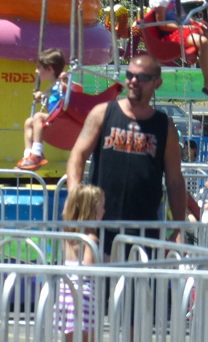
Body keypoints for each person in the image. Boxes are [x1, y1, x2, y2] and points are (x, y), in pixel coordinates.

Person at [66, 53, 188, 260]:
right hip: (99, 224)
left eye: (141, 77)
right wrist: (75, 197)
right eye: (130, 75)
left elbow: (175, 180)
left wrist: (178, 227)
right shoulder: (102, 113)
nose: (133, 81)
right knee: (95, 290)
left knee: (138, 291)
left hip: (143, 229)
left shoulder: (164, 126)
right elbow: (77, 155)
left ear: (156, 83)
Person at [55, 183, 103, 342]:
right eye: (101, 207)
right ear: (91, 211)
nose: (104, 212)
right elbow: (89, 268)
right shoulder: (91, 239)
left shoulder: (68, 236)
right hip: (84, 294)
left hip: (65, 292)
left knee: (69, 336)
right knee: (88, 337)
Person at [16, 48, 69, 171]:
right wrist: (44, 99)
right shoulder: (53, 89)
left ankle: (37, 154)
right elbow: (52, 111)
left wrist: (67, 83)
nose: (36, 71)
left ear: (50, 69)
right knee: (29, 122)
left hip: (64, 122)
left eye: (39, 68)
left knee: (38, 117)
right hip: (56, 118)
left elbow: (78, 89)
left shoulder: (62, 85)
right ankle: (28, 156)